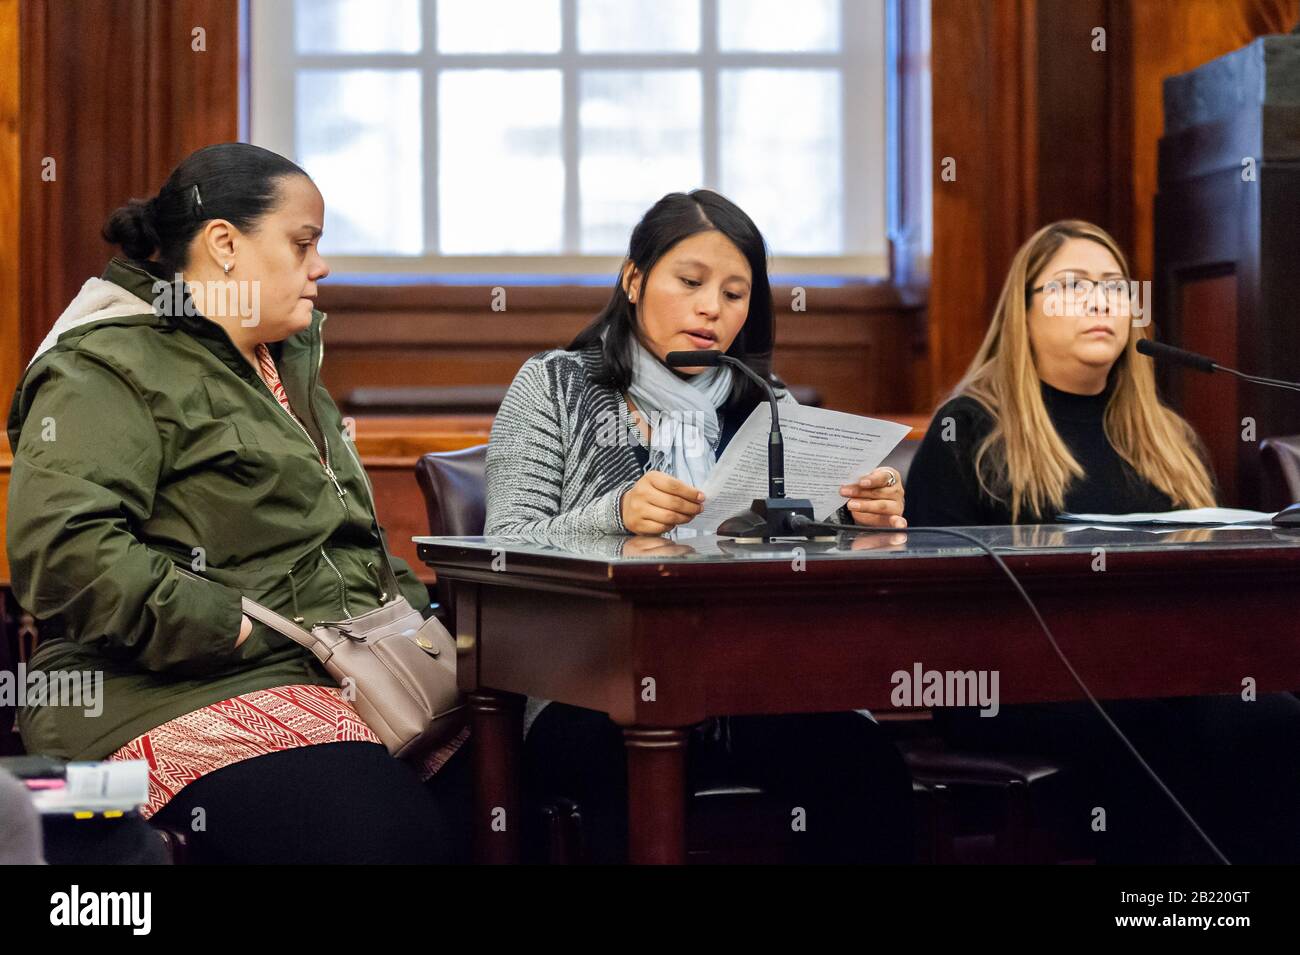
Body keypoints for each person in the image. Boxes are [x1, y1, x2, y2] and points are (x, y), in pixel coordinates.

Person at [7, 143, 470, 864]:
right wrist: (231, 630)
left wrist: (414, 625)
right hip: (158, 691)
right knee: (381, 835)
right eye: (303, 242)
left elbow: (345, 543)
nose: (321, 266)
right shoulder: (102, 365)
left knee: (523, 776)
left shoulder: (279, 361)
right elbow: (64, 554)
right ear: (224, 243)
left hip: (325, 674)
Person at [486, 189, 913, 863]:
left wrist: (859, 518)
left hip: (746, 676)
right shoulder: (555, 385)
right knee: (624, 756)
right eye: (691, 281)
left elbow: (803, 560)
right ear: (633, 279)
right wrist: (615, 515)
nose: (713, 307)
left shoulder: (764, 400)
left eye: (736, 293)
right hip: (591, 683)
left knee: (863, 759)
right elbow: (500, 550)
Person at [905, 219, 1300, 863]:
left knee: (1265, 714)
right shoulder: (971, 429)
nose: (1100, 302)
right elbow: (933, 602)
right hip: (1011, 685)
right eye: (1071, 285)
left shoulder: (1166, 440)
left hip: (1159, 671)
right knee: (1214, 721)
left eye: (1116, 288)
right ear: (1023, 313)